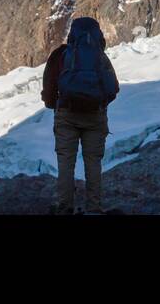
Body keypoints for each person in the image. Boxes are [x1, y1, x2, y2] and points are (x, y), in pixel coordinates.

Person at [41, 16, 120, 214]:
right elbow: (113, 88)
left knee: (66, 161)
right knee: (93, 162)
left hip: (67, 114)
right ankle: (94, 207)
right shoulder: (100, 57)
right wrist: (98, 104)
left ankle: (64, 206)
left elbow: (49, 87)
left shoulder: (60, 55)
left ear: (72, 34)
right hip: (95, 116)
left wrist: (55, 104)